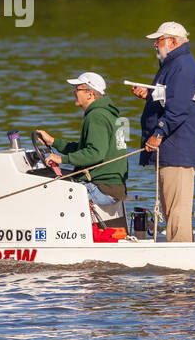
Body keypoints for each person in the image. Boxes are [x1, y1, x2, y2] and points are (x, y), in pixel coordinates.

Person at [132, 21, 195, 242]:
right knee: (171, 210)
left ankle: (180, 269)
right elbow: (172, 97)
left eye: (158, 41)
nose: (155, 45)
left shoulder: (182, 66)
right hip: (171, 149)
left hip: (177, 149)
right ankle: (176, 263)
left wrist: (157, 135)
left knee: (177, 211)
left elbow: (178, 109)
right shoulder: (174, 64)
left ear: (173, 42)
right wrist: (149, 95)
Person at [38, 72, 129, 227]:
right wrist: (53, 142)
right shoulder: (110, 114)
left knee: (46, 193)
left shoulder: (96, 116)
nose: (74, 92)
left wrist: (61, 159)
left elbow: (95, 153)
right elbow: (86, 149)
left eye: (77, 89)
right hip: (116, 188)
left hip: (102, 188)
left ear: (90, 94)